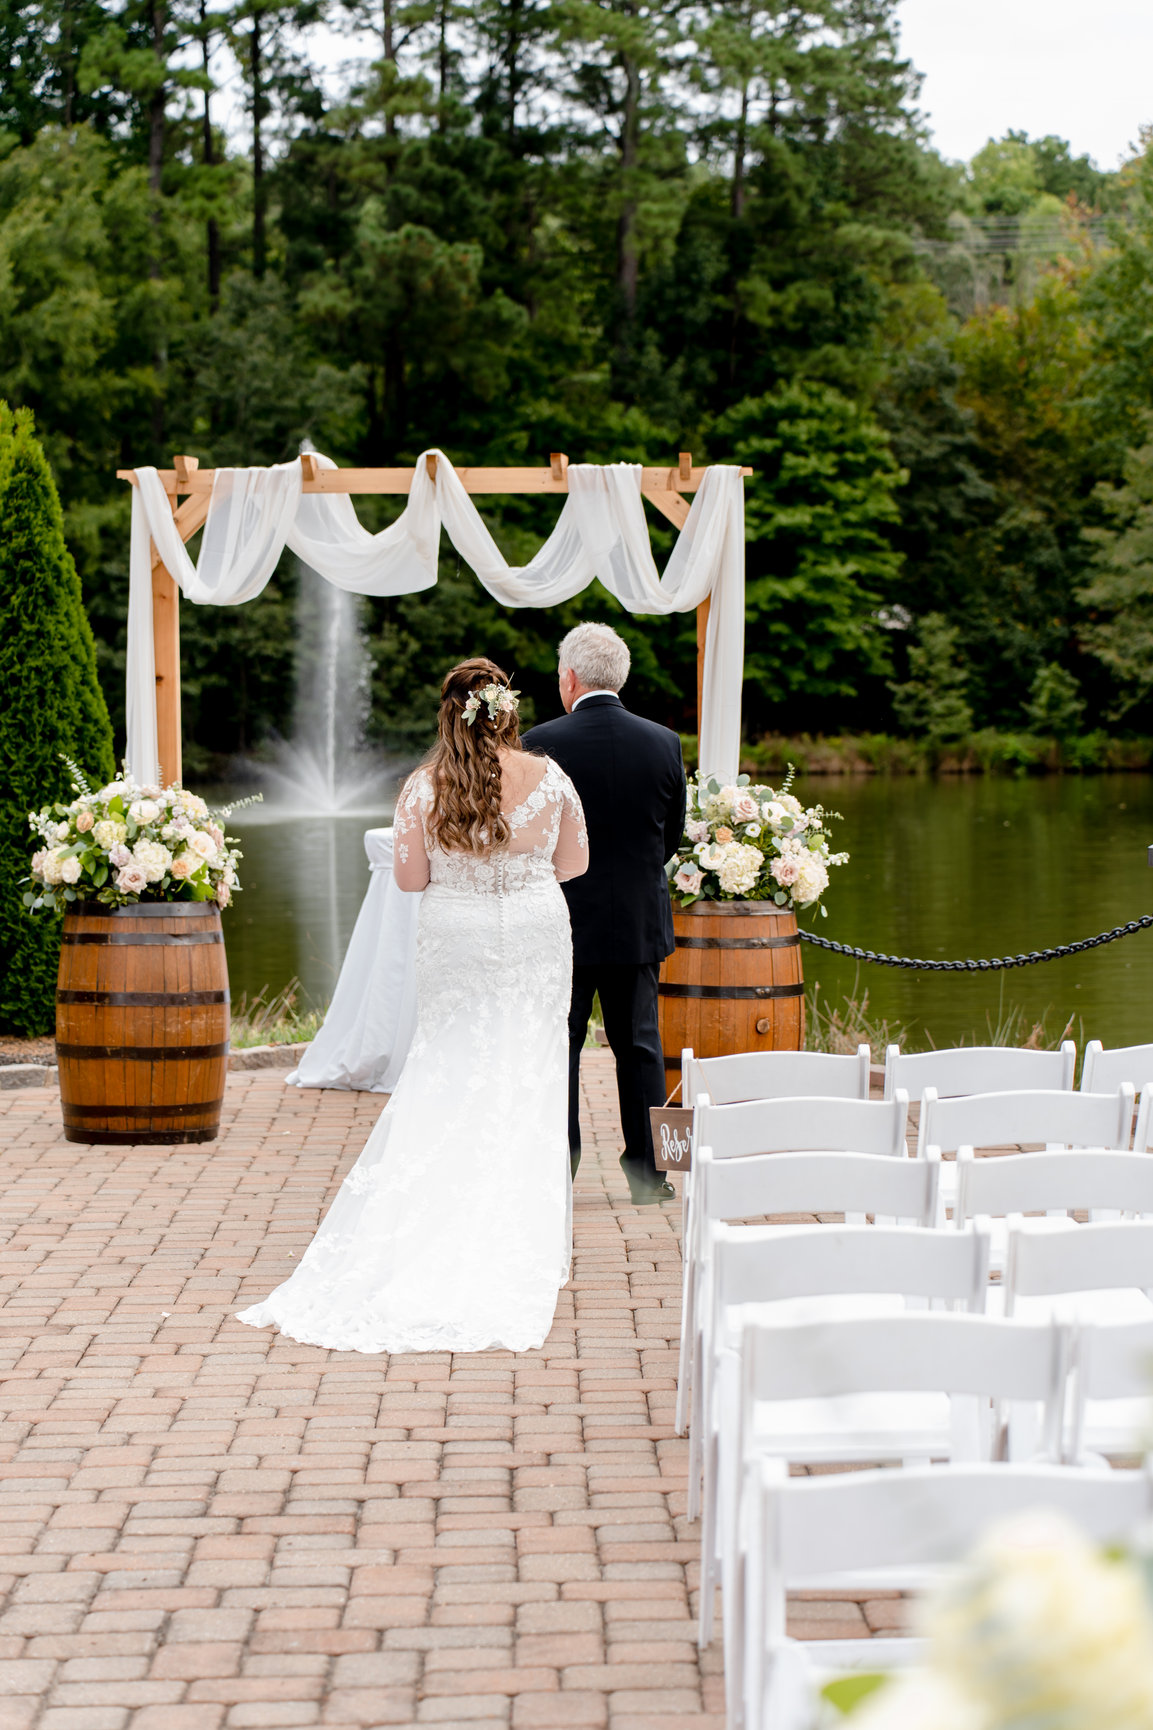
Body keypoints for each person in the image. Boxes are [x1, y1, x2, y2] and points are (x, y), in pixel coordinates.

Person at [237, 657, 588, 1354]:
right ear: (507, 711)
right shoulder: (551, 779)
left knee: (449, 1067)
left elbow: (408, 876)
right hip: (533, 935)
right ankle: (518, 1234)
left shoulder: (421, 787)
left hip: (455, 933)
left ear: (448, 712)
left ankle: (437, 1220)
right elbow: (573, 864)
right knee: (528, 1071)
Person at [524, 622, 686, 1205]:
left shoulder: (540, 743)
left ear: (569, 678)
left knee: (560, 1045)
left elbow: (532, 835)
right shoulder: (664, 742)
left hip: (561, 920)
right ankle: (654, 1175)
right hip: (639, 921)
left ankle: (556, 1172)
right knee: (643, 1047)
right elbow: (671, 838)